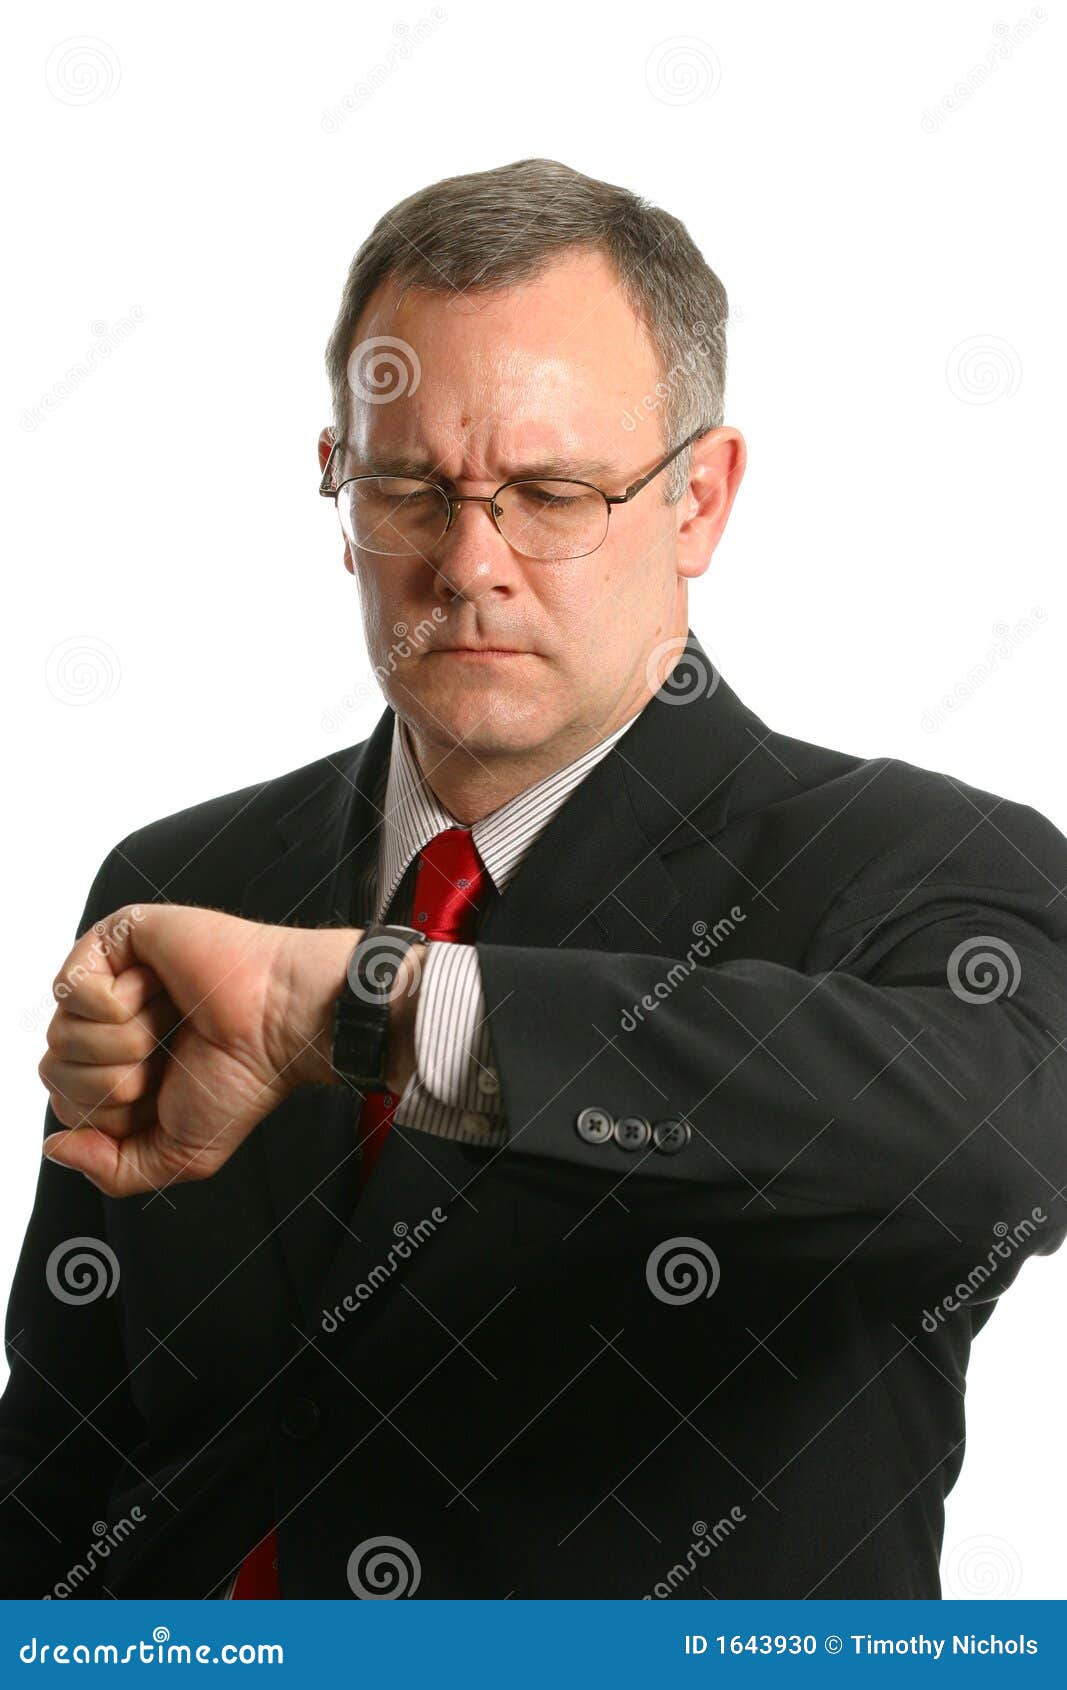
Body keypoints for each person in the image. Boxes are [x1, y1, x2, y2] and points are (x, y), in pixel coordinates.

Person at [4, 158, 1065, 1600]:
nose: (469, 563)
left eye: (553, 494)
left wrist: (363, 1005)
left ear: (700, 499)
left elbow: (1005, 1145)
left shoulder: (920, 862)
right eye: (406, 487)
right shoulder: (183, 875)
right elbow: (61, 1459)